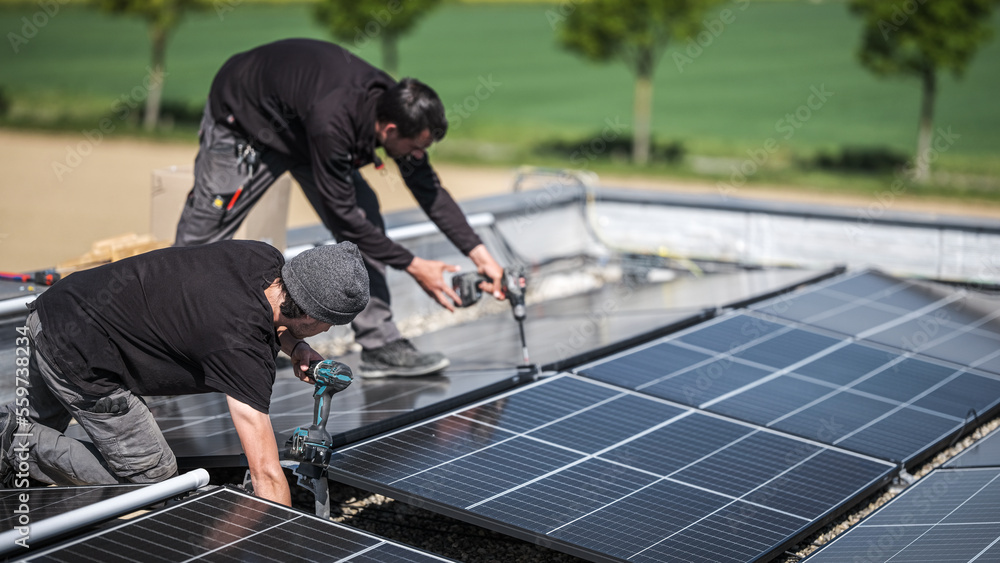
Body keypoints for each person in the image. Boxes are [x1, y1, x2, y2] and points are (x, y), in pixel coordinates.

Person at [174, 38, 505, 378]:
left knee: (367, 219)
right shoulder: (335, 119)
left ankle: (381, 343)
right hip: (247, 118)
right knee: (203, 231)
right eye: (416, 148)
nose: (419, 156)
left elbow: (428, 188)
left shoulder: (397, 107)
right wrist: (414, 265)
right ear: (390, 130)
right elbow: (345, 218)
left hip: (306, 129)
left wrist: (480, 254)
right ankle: (176, 345)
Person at [0, 240, 369, 506]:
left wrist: (296, 346)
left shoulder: (263, 259)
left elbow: (262, 318)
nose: (327, 334)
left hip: (56, 311)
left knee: (23, 461)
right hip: (83, 357)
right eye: (329, 326)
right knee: (155, 481)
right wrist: (284, 542)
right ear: (310, 316)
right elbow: (266, 474)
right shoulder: (241, 349)